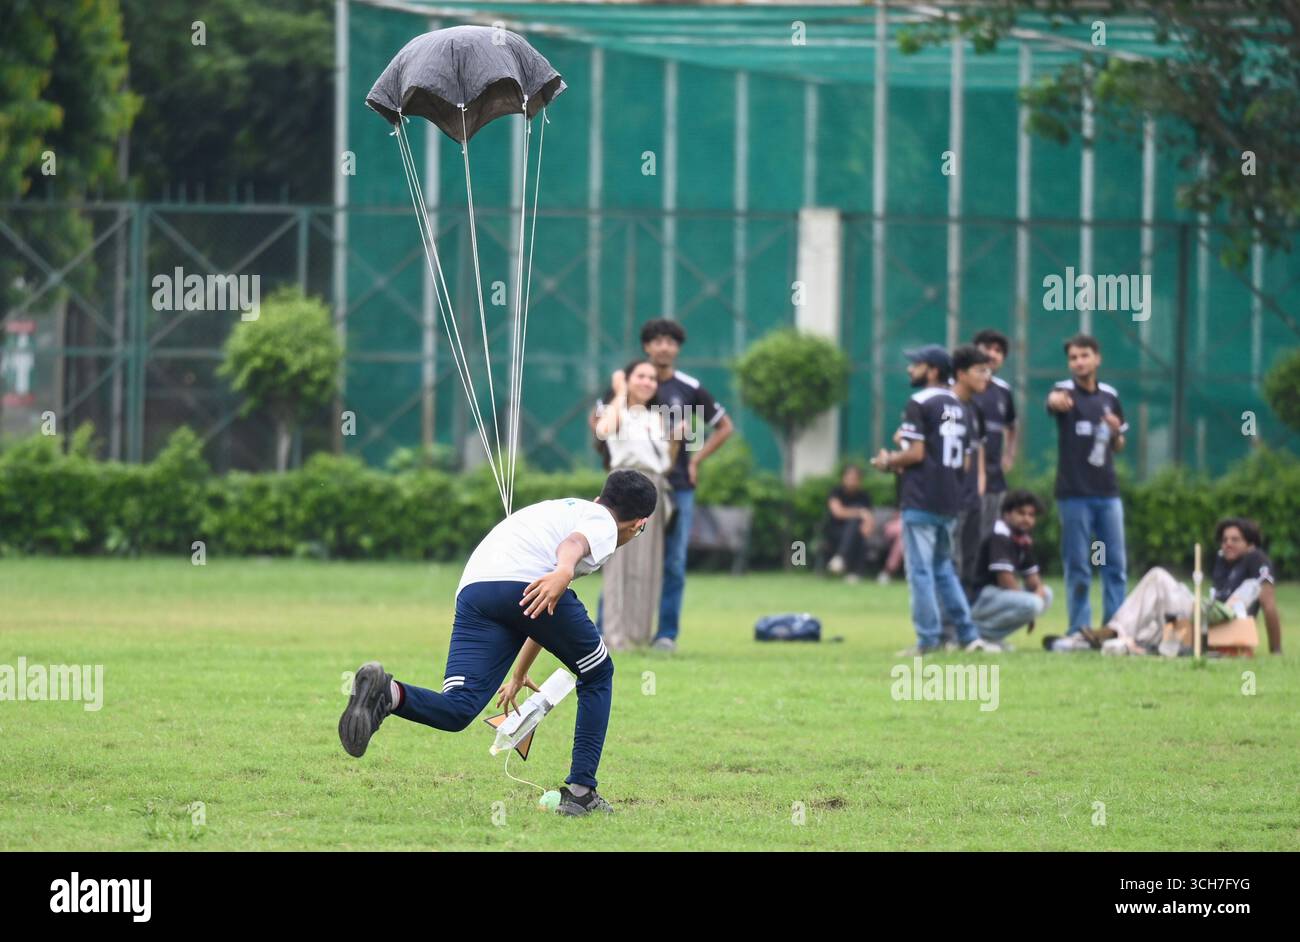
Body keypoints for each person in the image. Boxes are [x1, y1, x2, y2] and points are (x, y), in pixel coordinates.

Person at [338, 469, 659, 817]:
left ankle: (387, 693)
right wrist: (564, 571)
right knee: (598, 674)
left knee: (459, 707)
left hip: (476, 589)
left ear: (600, 497)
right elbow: (571, 547)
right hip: (523, 582)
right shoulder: (603, 523)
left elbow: (541, 607)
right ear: (638, 523)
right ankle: (582, 792)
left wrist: (519, 672)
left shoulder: (567, 509)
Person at [591, 317, 732, 654]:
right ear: (647, 346)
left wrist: (695, 458)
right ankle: (603, 631)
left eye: (671, 341)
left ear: (678, 347)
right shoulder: (627, 388)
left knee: (667, 563)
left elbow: (723, 427)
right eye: (657, 340)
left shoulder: (688, 387)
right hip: (628, 485)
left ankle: (663, 634)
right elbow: (600, 426)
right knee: (616, 557)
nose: (664, 346)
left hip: (674, 485)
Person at [871, 345, 989, 654]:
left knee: (921, 572)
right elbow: (964, 462)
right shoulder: (960, 407)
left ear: (933, 371)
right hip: (950, 501)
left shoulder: (920, 401)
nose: (911, 369)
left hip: (921, 499)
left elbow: (917, 453)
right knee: (944, 570)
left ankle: (927, 640)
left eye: (917, 365)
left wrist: (888, 461)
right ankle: (967, 635)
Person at [1047, 517, 1282, 655]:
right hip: (1202, 618)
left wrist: (1276, 650)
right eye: (1224, 540)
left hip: (1220, 618)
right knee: (1147, 628)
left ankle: (1111, 631)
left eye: (1235, 539)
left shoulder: (1256, 559)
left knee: (1158, 577)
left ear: (1250, 543)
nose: (1227, 544)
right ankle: (1075, 644)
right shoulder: (1223, 562)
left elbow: (1269, 606)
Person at [1047, 334, 1128, 636]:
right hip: (1073, 495)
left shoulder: (1109, 396)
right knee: (1079, 566)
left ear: (1097, 359)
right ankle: (1079, 630)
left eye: (1084, 356)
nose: (1079, 362)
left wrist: (1116, 432)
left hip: (1108, 494)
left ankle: (1116, 628)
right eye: (1073, 358)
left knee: (1114, 564)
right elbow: (1054, 402)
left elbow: (1119, 444)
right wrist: (1055, 402)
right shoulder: (1063, 392)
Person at [594, 360, 676, 649]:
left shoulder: (656, 416)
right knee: (620, 563)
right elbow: (603, 430)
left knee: (647, 565)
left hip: (654, 485)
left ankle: (638, 635)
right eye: (641, 376)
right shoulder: (617, 409)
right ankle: (615, 635)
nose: (648, 382)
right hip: (625, 484)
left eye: (653, 378)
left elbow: (665, 461)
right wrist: (619, 391)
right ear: (627, 379)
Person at [969, 489, 1053, 649]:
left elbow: (1033, 580)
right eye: (1021, 513)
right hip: (982, 597)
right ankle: (974, 635)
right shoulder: (999, 535)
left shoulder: (1022, 538)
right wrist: (1030, 605)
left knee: (1046, 595)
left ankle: (990, 639)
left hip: (998, 597)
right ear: (1007, 514)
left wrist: (1038, 590)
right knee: (1033, 603)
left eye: (1031, 515)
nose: (1027, 519)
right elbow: (1005, 580)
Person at [971, 329, 1018, 537]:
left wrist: (1008, 456)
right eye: (988, 348)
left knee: (988, 536)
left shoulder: (1003, 391)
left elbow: (1012, 426)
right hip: (964, 477)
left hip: (994, 479)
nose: (992, 354)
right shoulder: (958, 387)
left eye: (998, 351)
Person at [825, 464, 875, 582]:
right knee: (854, 522)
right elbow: (838, 512)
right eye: (849, 477)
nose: (852, 481)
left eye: (855, 478)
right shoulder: (836, 492)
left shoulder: (864, 496)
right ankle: (845, 561)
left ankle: (844, 562)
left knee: (859, 533)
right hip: (835, 530)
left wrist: (867, 526)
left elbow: (869, 517)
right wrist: (859, 513)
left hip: (857, 532)